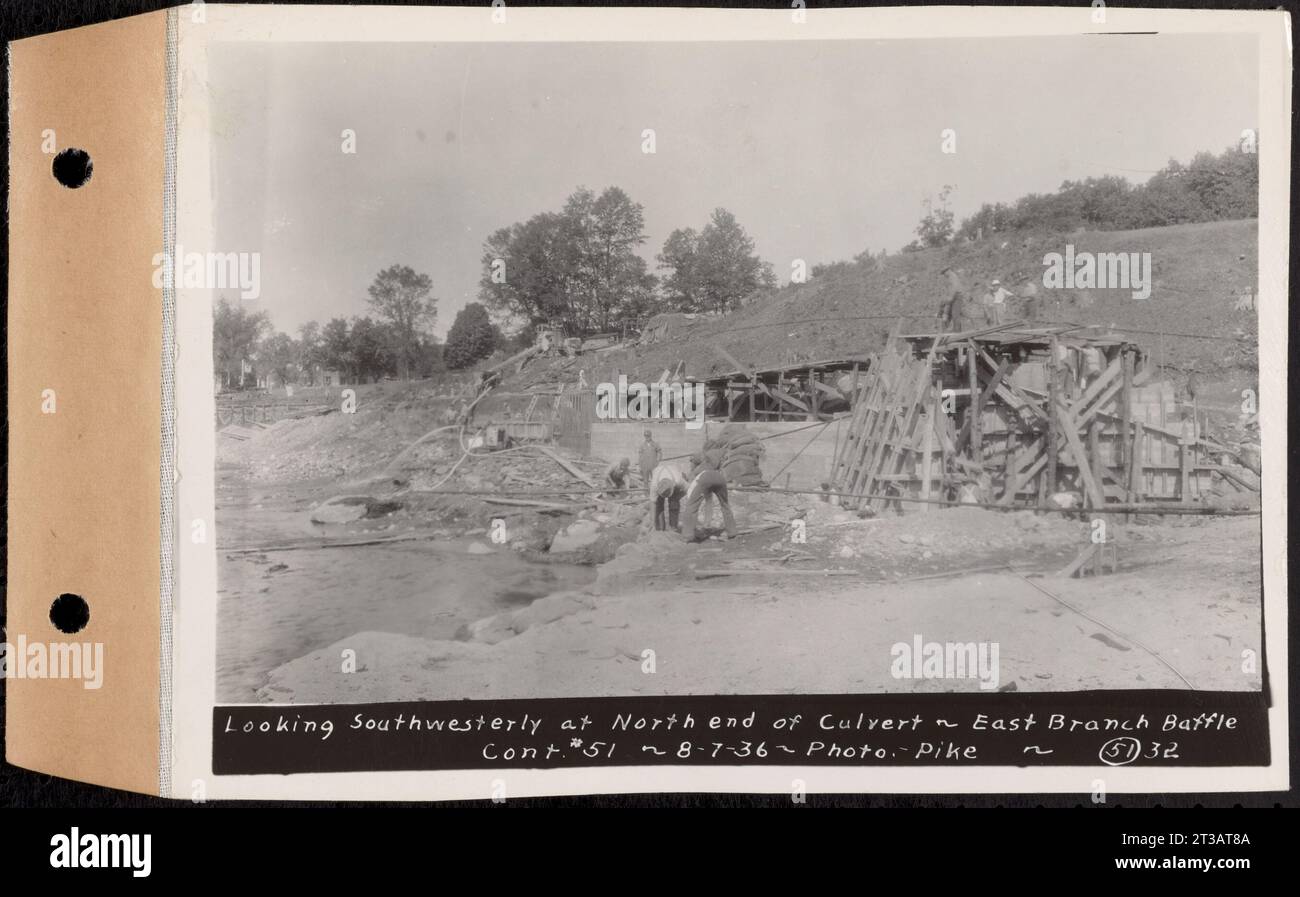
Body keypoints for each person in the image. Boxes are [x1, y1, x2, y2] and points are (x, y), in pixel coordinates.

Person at [682, 454, 737, 542]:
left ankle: (687, 536)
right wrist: (706, 524)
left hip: (705, 478)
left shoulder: (695, 478)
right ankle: (732, 532)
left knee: (691, 507)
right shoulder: (708, 465)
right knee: (725, 505)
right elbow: (708, 500)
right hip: (719, 477)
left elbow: (691, 503)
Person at [648, 461, 687, 531]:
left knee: (674, 503)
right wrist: (652, 523)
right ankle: (660, 528)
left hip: (673, 473)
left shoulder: (678, 480)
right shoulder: (654, 485)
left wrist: (678, 496)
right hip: (659, 473)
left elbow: (688, 489)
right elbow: (652, 503)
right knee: (658, 506)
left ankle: (673, 527)